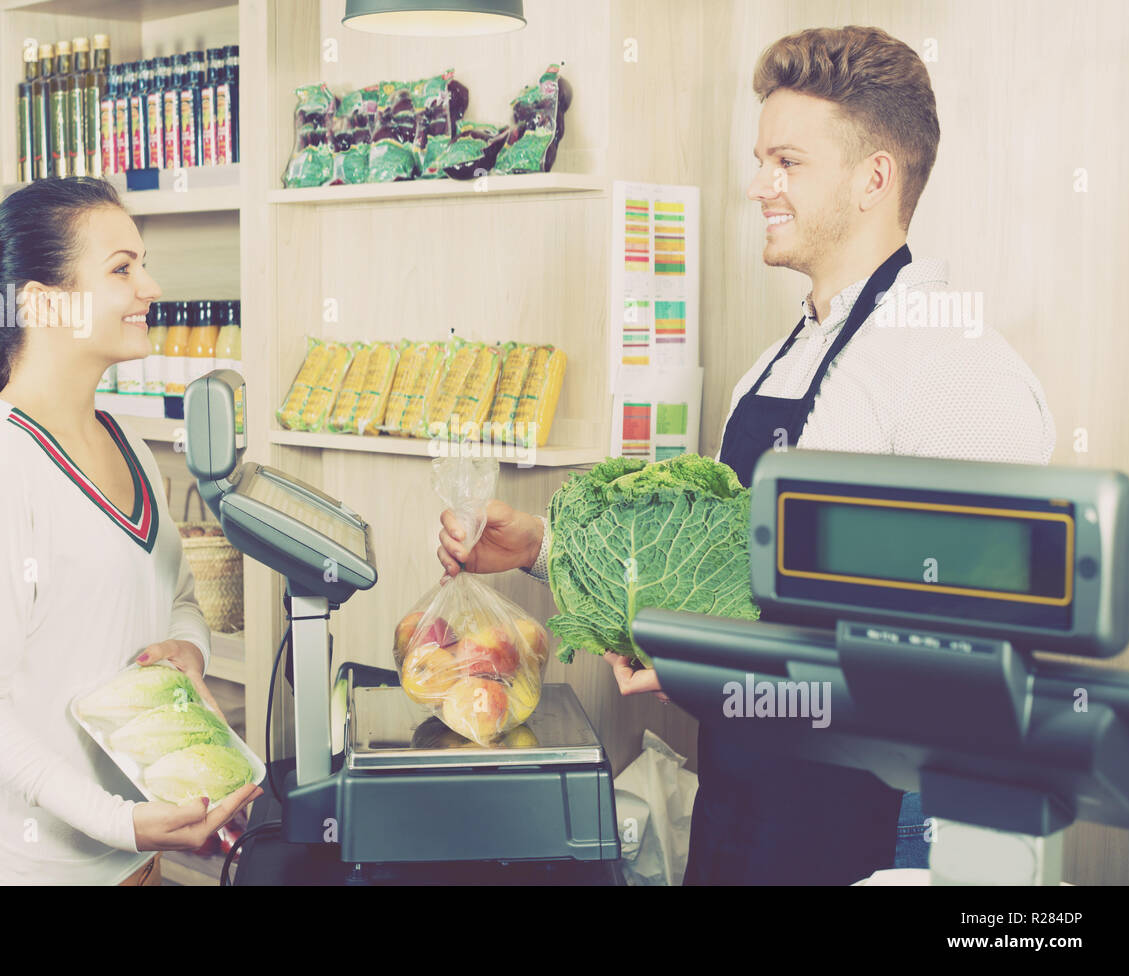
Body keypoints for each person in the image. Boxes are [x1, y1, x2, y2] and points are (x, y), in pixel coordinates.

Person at [438, 26, 1054, 884]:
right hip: (751, 811)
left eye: (788, 163)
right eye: (762, 159)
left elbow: (978, 664)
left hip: (885, 831)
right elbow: (715, 572)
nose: (759, 185)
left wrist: (730, 666)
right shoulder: (781, 359)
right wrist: (544, 548)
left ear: (875, 177)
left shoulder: (954, 368)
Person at [0, 177, 261, 885]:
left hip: (136, 865)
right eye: (122, 269)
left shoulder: (127, 442)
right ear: (44, 302)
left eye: (142, 264)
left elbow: (177, 601)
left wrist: (188, 652)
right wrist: (118, 819)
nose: (151, 286)